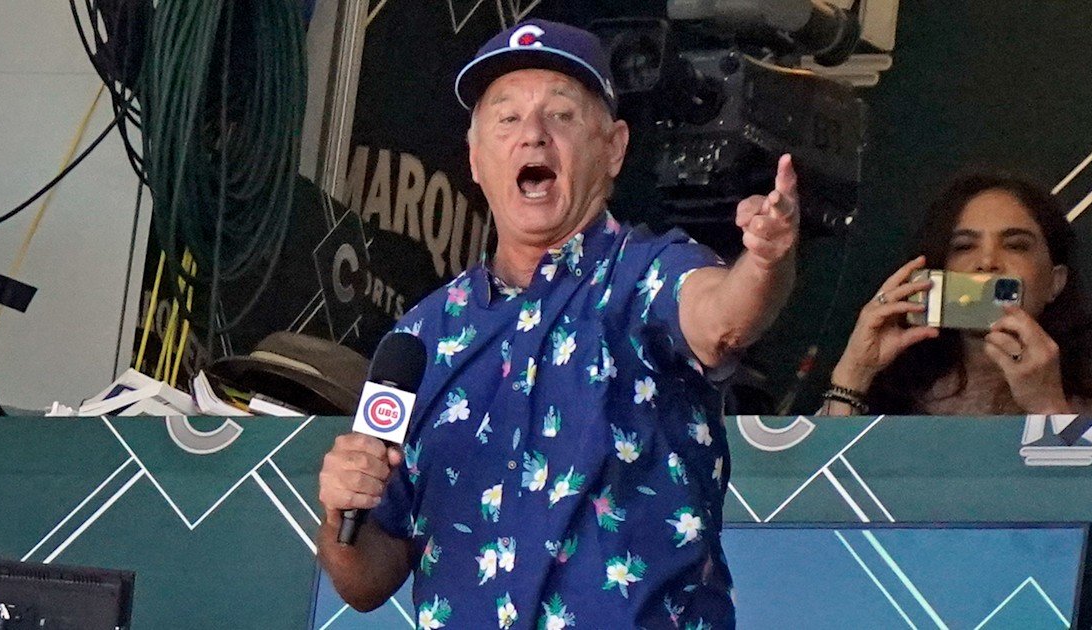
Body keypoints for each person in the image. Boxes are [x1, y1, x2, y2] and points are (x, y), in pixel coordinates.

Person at [315, 19, 799, 629]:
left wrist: (765, 260)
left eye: (561, 115)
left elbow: (724, 317)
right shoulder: (417, 341)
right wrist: (342, 514)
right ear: (475, 159)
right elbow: (367, 581)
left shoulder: (646, 273)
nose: (533, 135)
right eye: (507, 118)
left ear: (613, 148)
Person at [822, 172, 1092, 416]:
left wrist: (1048, 406)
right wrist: (853, 375)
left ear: (1055, 282)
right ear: (936, 271)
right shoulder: (890, 393)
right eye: (964, 246)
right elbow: (822, 484)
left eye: (1016, 245)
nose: (988, 261)